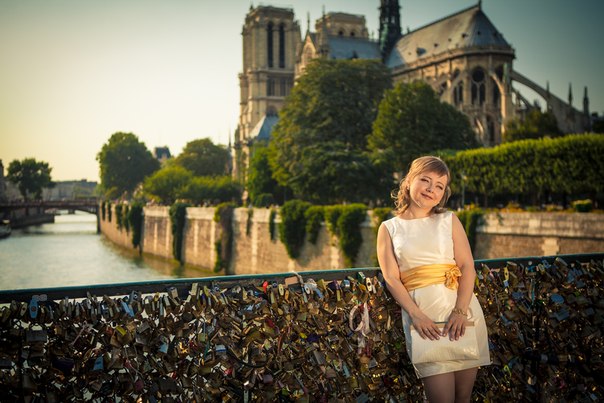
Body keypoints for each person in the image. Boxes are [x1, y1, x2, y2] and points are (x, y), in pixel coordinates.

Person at [376, 156, 490, 403]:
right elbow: (391, 278)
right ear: (408, 182)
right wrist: (416, 315)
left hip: (462, 315)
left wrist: (460, 311)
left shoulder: (449, 220)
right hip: (423, 319)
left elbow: (467, 267)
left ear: (443, 194)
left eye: (439, 186)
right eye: (425, 180)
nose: (431, 189)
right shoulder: (389, 228)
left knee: (463, 398)